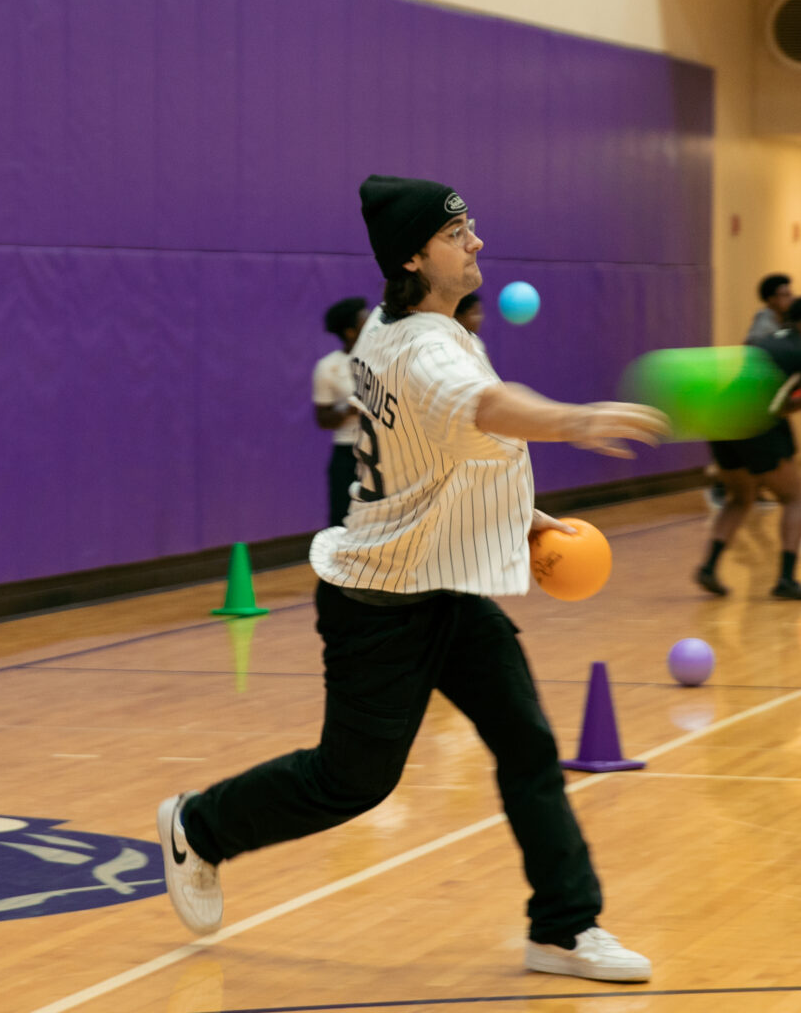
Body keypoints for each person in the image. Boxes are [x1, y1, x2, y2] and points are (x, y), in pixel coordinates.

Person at [158, 175, 670, 983]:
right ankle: (200, 824)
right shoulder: (425, 348)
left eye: (470, 226)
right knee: (352, 781)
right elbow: (491, 411)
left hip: (449, 582)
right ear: (412, 254)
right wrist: (577, 420)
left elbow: (441, 460)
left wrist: (524, 519)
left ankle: (565, 928)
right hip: (382, 600)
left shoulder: (411, 327)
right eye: (456, 231)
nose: (475, 241)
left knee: (527, 743)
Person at [696, 297, 801, 600]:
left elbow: (781, 403)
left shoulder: (766, 341)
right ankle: (786, 579)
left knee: (740, 498)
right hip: (752, 422)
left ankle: (708, 567)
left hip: (718, 419)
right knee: (794, 496)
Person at [705, 273, 801, 522]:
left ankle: (749, 487)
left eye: (790, 293)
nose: (790, 298)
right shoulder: (763, 329)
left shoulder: (780, 323)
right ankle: (720, 484)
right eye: (785, 294)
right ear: (771, 299)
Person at [314, 297, 370, 527]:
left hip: (382, 450)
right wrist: (350, 409)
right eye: (365, 322)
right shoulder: (328, 367)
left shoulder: (384, 360)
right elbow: (322, 418)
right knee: (342, 518)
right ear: (350, 332)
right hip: (347, 452)